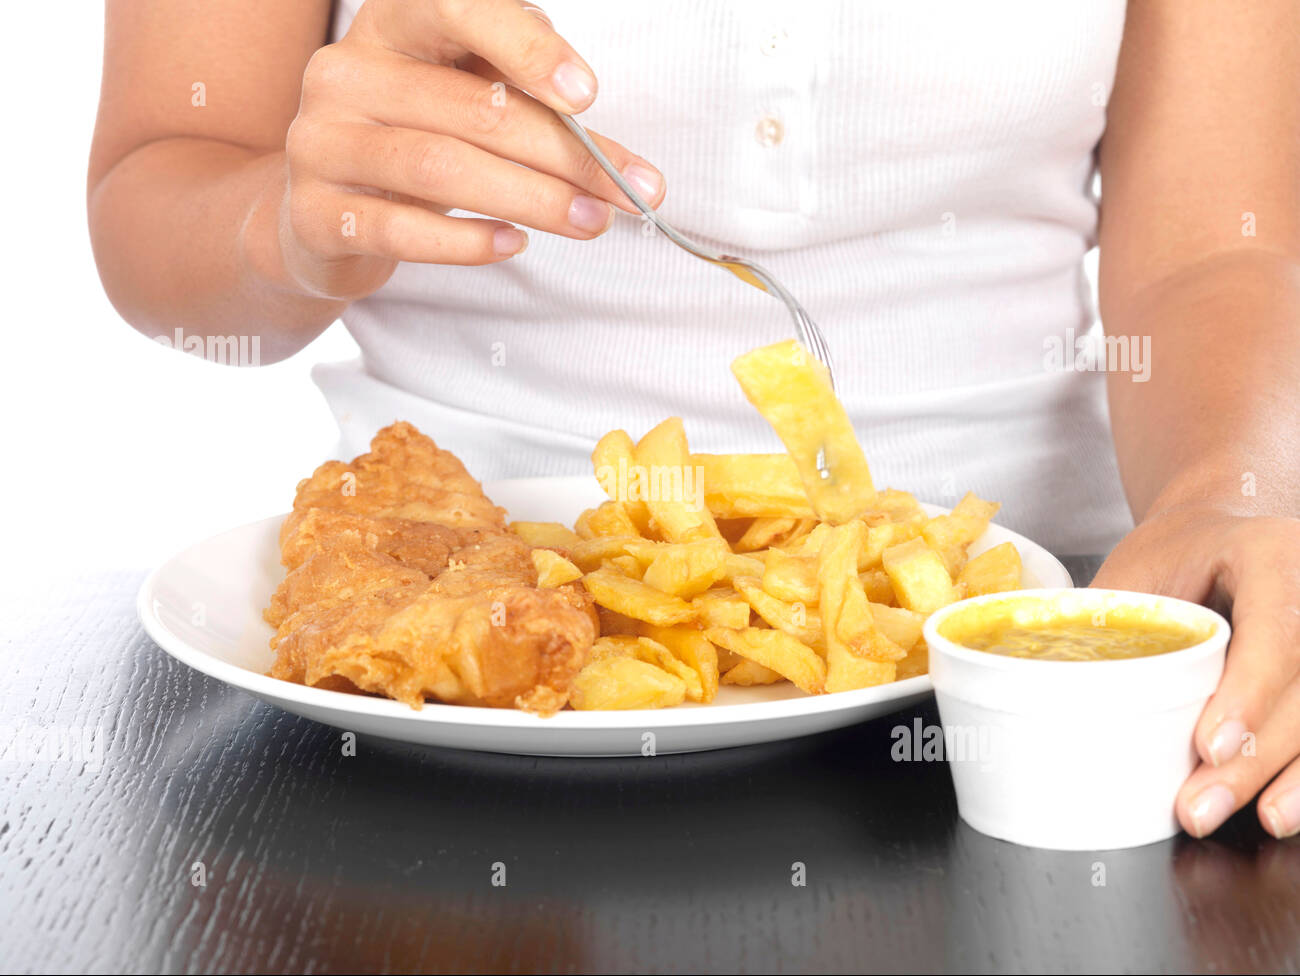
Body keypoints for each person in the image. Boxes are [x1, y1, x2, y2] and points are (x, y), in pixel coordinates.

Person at [89, 0, 1300, 840]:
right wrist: (295, 226)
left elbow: (1209, 251)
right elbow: (161, 192)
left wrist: (1226, 492)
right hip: (420, 721)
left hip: (1040, 678)